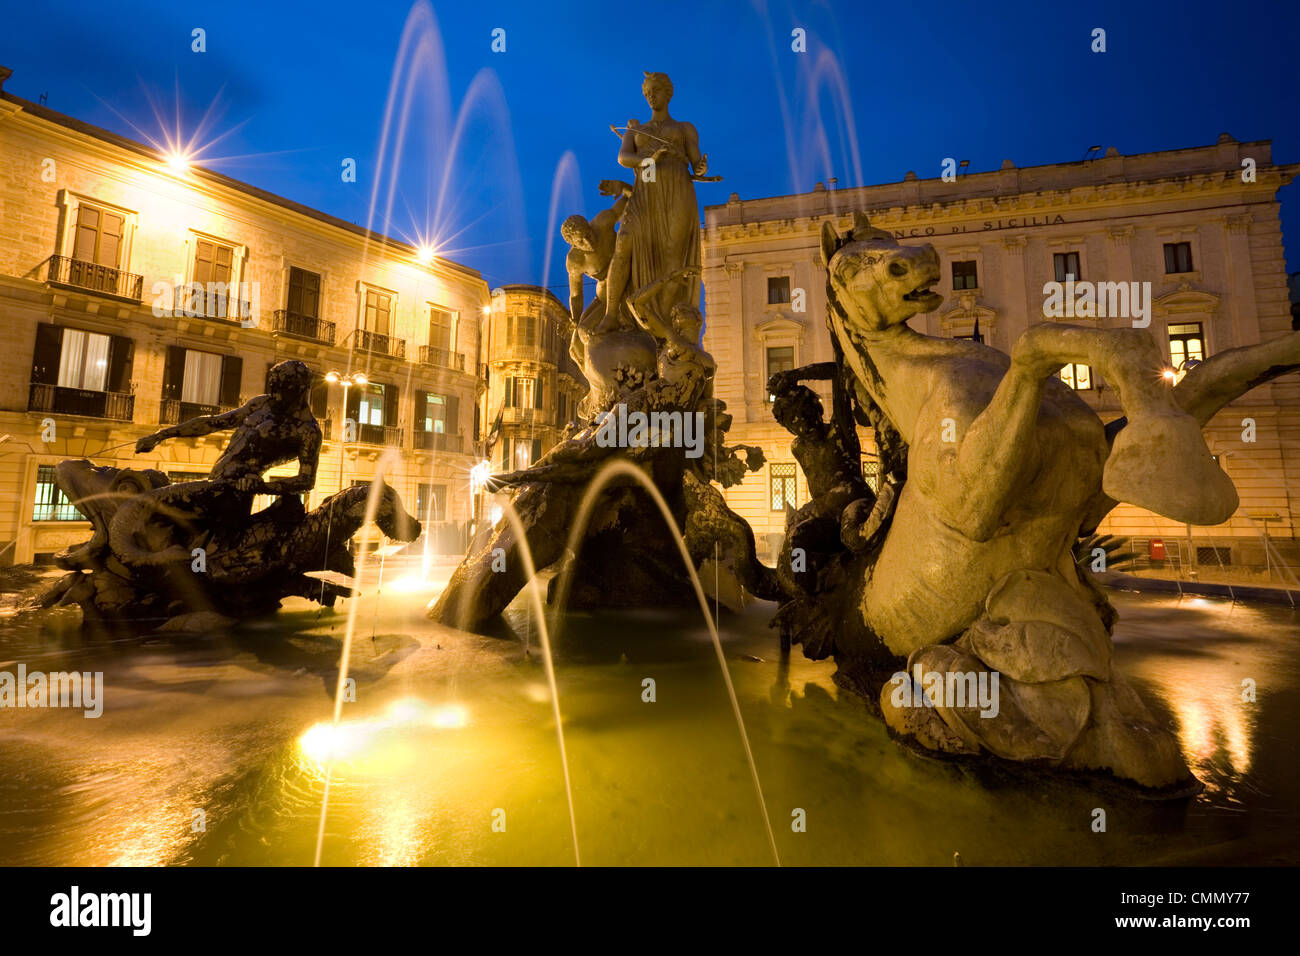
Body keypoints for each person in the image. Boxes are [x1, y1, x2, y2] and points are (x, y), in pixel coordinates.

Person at [599, 72, 706, 333]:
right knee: (624, 243)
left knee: (673, 261)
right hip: (645, 191)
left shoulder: (684, 128)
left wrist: (701, 167)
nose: (650, 97)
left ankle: (661, 328)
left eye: (655, 91)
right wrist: (649, 161)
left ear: (668, 93)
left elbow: (696, 164)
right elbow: (623, 157)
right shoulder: (636, 129)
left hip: (677, 191)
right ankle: (611, 314)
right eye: (647, 93)